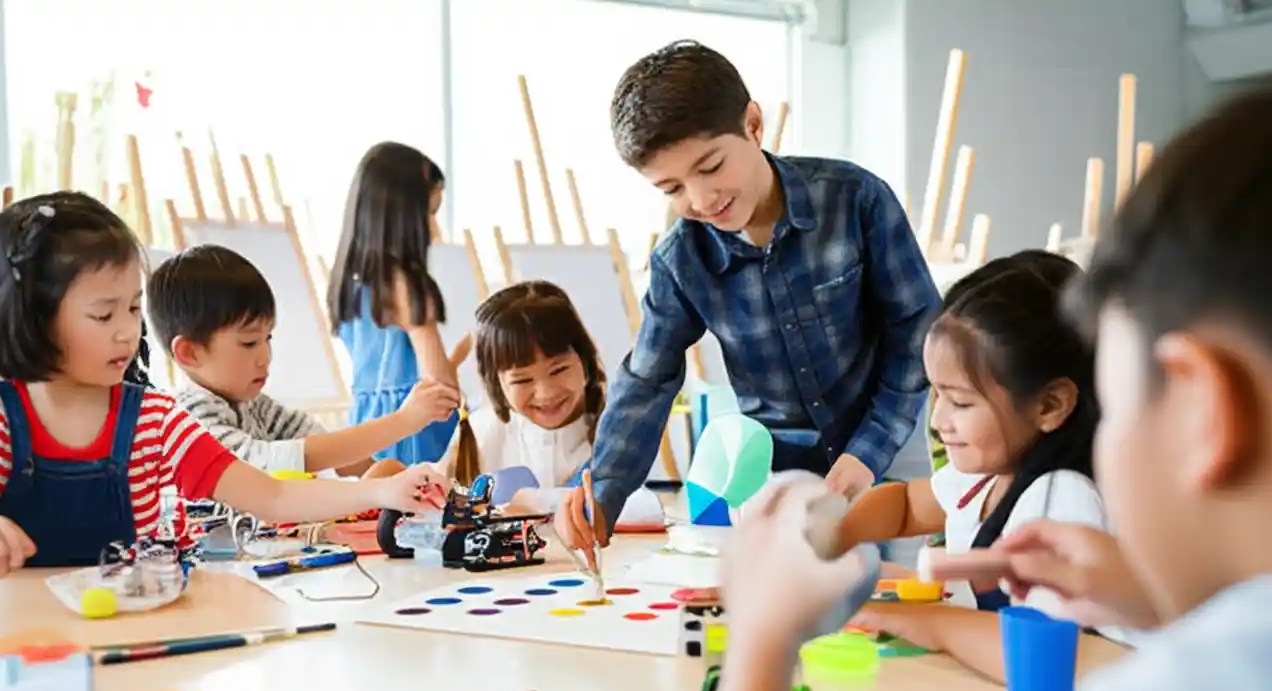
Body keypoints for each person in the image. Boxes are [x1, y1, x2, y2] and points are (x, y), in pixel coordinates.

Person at [717, 88, 1272, 691]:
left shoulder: (1189, 690)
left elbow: (1082, 668)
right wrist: (1151, 605)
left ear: (1203, 411)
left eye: (1115, 401)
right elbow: (907, 504)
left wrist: (763, 640)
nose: (941, 420)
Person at [556, 40, 940, 551]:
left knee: (892, 605)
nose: (700, 200)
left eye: (711, 167)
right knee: (796, 610)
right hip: (778, 468)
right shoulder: (681, 259)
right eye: (671, 189)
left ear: (753, 125)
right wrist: (600, 496)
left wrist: (866, 455)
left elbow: (917, 332)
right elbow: (648, 380)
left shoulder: (856, 200)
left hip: (888, 444)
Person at [0, 192, 444, 577]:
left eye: (133, 309)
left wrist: (380, 490)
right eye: (103, 314)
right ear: (32, 318)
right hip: (22, 650)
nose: (128, 332)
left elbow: (272, 494)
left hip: (129, 638)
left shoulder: (153, 420)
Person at [832, 250, 1109, 682]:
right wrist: (834, 536)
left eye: (960, 402)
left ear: (1050, 404)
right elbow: (906, 505)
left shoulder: (1060, 499)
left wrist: (926, 622)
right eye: (936, 396)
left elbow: (1045, 656)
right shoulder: (985, 472)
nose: (939, 421)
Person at [147, 244, 460, 476]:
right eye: (249, 342)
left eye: (268, 338)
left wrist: (391, 477)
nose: (265, 357)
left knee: (388, 470)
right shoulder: (188, 416)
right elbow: (280, 460)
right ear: (190, 352)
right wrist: (402, 422)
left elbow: (326, 445)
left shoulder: (253, 403)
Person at [439, 281, 660, 522]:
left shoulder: (620, 427)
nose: (546, 393)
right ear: (496, 384)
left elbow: (649, 509)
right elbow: (438, 495)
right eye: (522, 380)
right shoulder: (481, 430)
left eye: (558, 370)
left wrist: (537, 501)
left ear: (585, 360)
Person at [327, 141, 464, 466]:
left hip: (367, 429)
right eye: (429, 214)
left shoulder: (350, 282)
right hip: (413, 433)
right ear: (400, 216)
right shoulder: (404, 284)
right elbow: (441, 388)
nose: (435, 229)